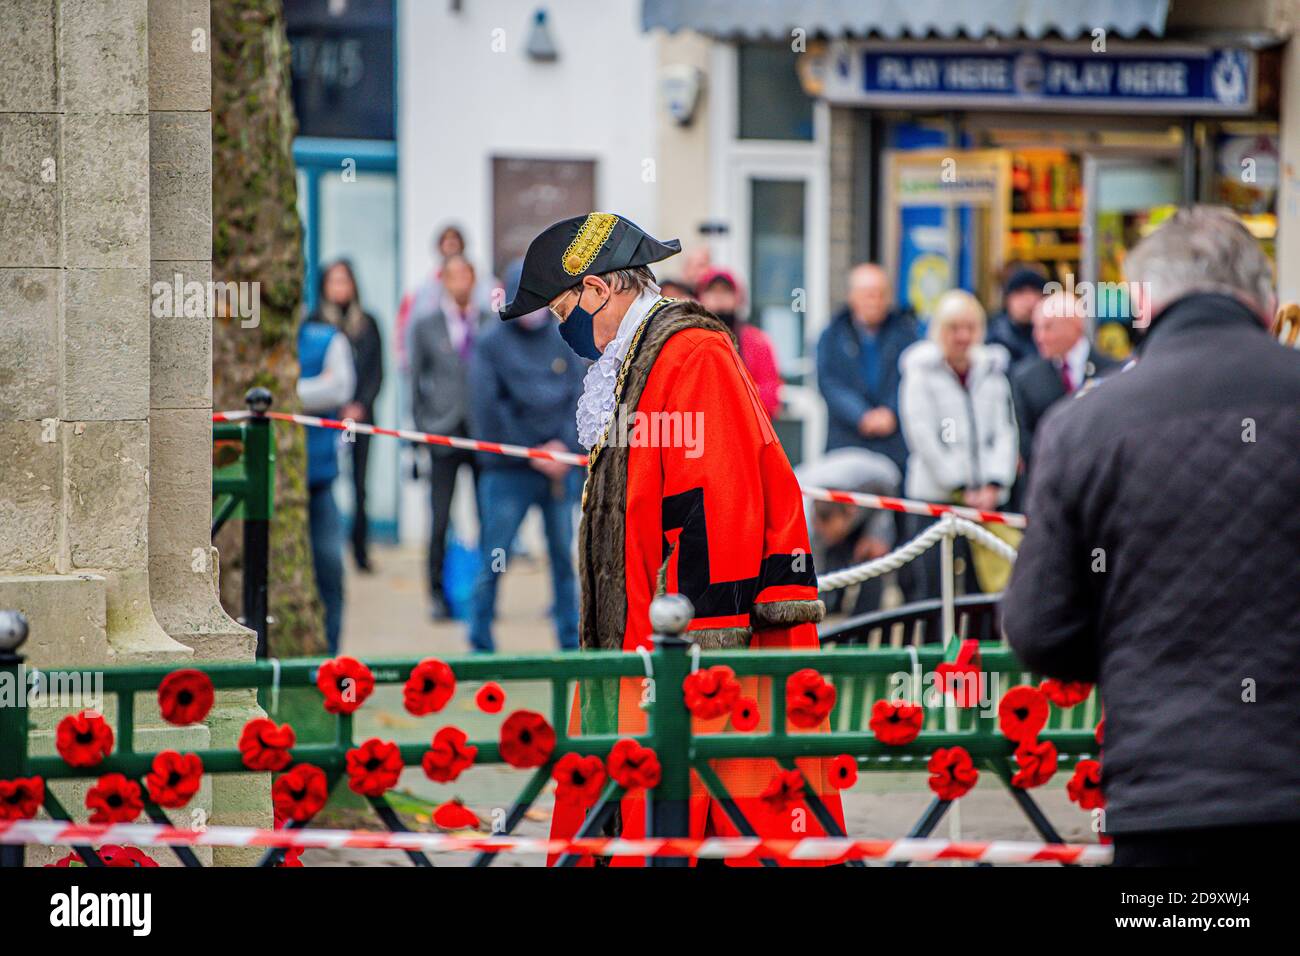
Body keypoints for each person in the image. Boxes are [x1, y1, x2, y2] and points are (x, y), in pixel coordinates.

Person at [498, 212, 845, 866]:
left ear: (600, 290)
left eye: (562, 306)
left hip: (688, 657)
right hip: (639, 640)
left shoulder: (691, 351)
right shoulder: (643, 353)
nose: (560, 325)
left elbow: (720, 500)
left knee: (700, 824)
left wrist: (690, 656)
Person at [1003, 206, 1300, 867]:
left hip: (1167, 798)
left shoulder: (1086, 425)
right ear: (1265, 298)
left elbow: (1039, 629)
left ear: (1142, 304)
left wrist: (1141, 654)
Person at [467, 259, 586, 652]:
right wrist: (532, 452)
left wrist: (563, 449)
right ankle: (480, 642)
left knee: (564, 560)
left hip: (557, 470)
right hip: (508, 472)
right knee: (495, 557)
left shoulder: (565, 336)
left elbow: (579, 397)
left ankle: (571, 643)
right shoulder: (490, 342)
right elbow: (486, 409)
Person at [897, 289, 1018, 602]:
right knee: (934, 594)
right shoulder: (920, 372)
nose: (963, 336)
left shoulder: (992, 371)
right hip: (934, 500)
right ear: (939, 329)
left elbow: (1005, 431)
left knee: (987, 592)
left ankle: (981, 651)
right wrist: (960, 485)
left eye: (970, 327)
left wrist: (993, 484)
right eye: (954, 328)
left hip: (986, 504)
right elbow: (923, 437)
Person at [409, 254, 486, 620]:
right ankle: (436, 593)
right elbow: (415, 380)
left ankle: (486, 591)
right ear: (444, 281)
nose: (459, 283)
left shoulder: (486, 321)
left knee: (488, 515)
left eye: (465, 276)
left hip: (481, 432)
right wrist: (420, 428)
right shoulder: (425, 324)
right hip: (442, 430)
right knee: (440, 516)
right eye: (452, 277)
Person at [1009, 290, 1118, 507]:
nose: (1039, 336)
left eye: (1048, 327)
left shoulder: (1113, 373)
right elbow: (1025, 438)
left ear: (1076, 325)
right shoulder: (1025, 378)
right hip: (1047, 495)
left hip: (1102, 493)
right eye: (1036, 327)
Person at [315, 259, 384, 573]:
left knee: (360, 485)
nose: (340, 287)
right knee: (323, 479)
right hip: (325, 419)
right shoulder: (315, 324)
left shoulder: (368, 323)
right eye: (334, 281)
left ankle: (360, 550)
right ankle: (323, 548)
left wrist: (359, 405)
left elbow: (376, 372)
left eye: (345, 281)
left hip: (361, 417)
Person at [816, 263, 918, 475]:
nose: (875, 301)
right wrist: (861, 416)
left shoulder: (906, 334)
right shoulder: (832, 335)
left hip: (895, 447)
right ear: (852, 296)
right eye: (868, 294)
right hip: (846, 442)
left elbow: (912, 380)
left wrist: (891, 412)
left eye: (881, 294)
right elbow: (829, 383)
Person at [297, 301, 356, 654]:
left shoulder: (327, 339)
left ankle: (331, 656)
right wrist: (314, 388)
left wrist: (290, 392)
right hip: (269, 487)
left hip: (320, 480)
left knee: (330, 569)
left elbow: (340, 388)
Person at [795, 448, 901, 617]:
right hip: (807, 487)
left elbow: (891, 486)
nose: (832, 538)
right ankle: (830, 611)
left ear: (851, 512)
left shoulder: (876, 477)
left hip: (871, 479)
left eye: (836, 533)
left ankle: (864, 625)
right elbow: (803, 569)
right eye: (827, 534)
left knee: (873, 558)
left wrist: (877, 533)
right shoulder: (802, 523)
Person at [695, 268, 782, 417]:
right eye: (712, 291)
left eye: (725, 291)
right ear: (700, 297)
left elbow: (770, 396)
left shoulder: (756, 341)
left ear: (738, 298)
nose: (719, 297)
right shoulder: (690, 339)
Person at [986, 266, 1047, 367]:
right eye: (1020, 293)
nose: (1029, 300)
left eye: (1034, 292)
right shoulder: (994, 334)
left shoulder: (1050, 336)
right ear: (1007, 299)